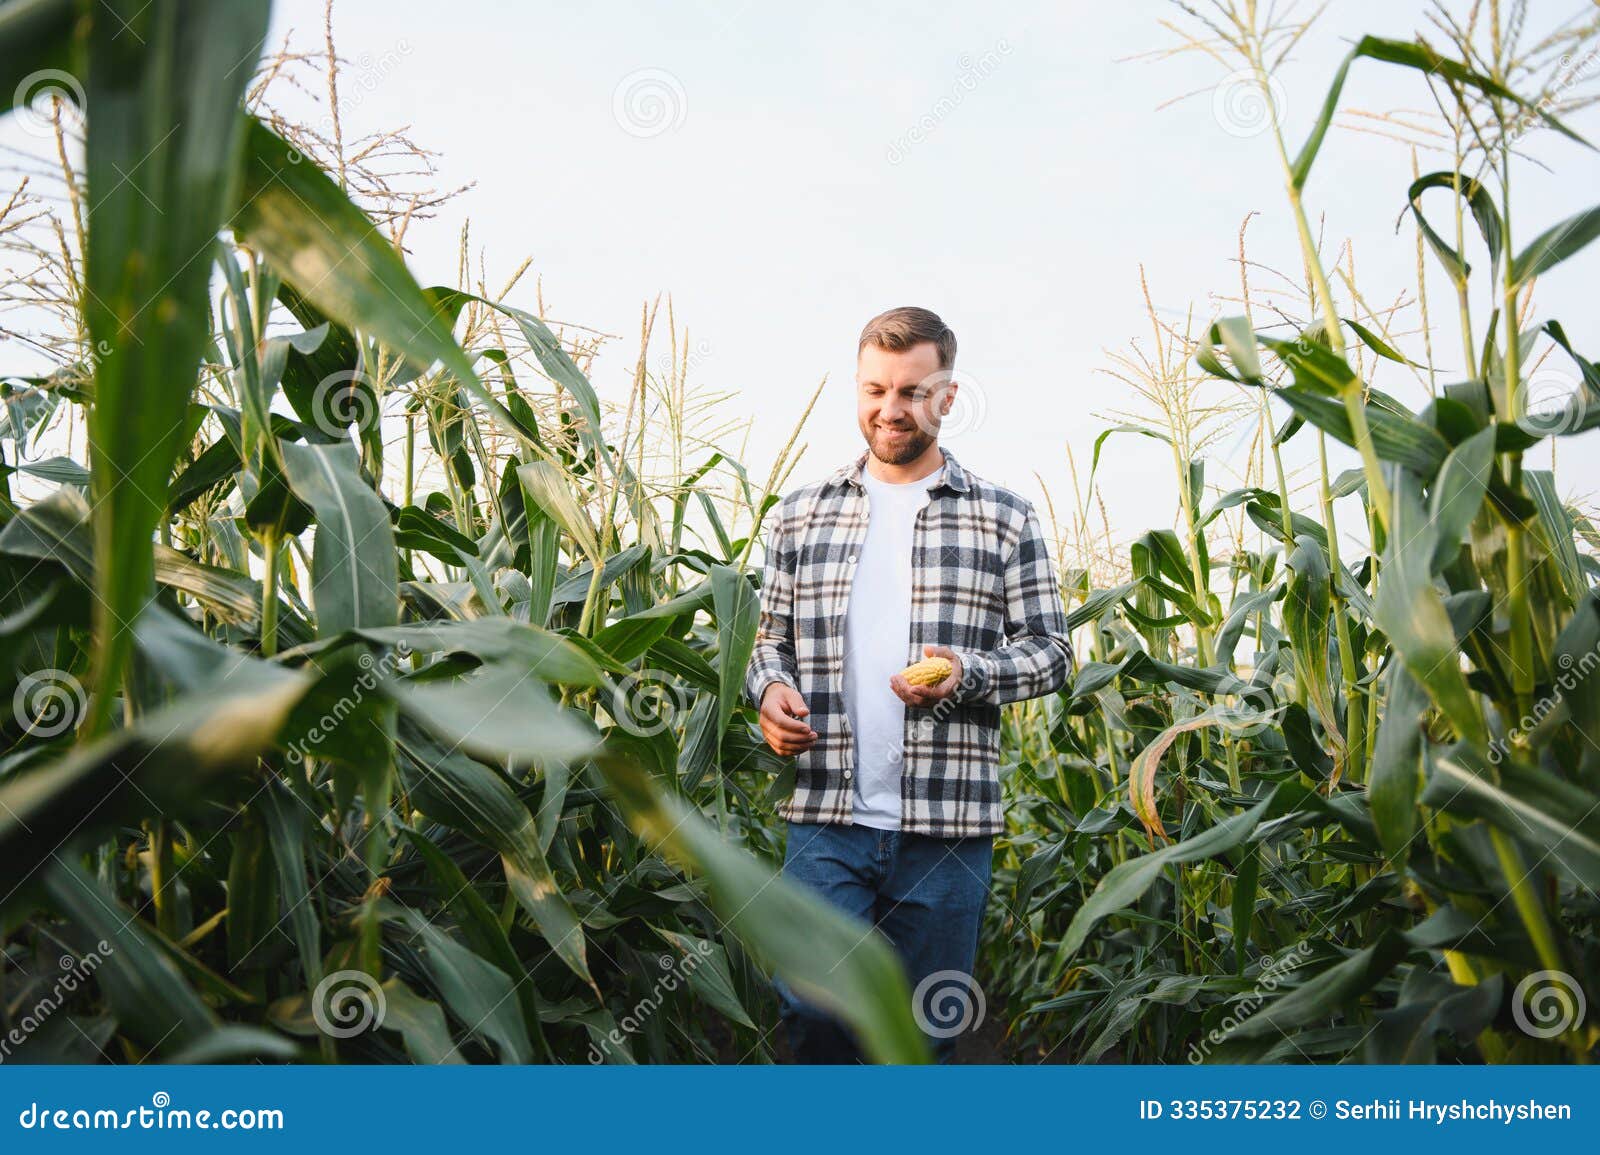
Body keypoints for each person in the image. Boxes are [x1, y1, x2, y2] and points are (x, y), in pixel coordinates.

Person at [745, 305, 1074, 1062]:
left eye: (912, 392)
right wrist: (769, 693)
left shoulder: (1005, 518)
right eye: (874, 389)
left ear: (947, 396)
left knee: (923, 1036)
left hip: (947, 826)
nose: (890, 409)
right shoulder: (801, 515)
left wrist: (969, 674)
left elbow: (1053, 652)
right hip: (827, 811)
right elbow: (768, 644)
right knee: (813, 1013)